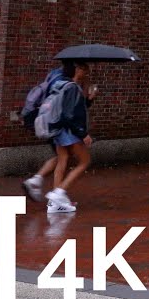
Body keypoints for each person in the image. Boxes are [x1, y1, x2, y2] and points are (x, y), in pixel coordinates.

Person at [46, 60, 97, 214]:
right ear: (77, 69)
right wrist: (83, 134)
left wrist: (89, 98)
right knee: (84, 162)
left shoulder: (62, 84)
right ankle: (58, 193)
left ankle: (54, 204)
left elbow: (77, 108)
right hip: (69, 132)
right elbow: (70, 115)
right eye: (85, 69)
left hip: (59, 129)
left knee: (62, 161)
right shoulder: (72, 88)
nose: (86, 72)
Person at [21, 66, 64, 203]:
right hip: (56, 124)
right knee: (64, 158)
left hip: (48, 121)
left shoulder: (54, 75)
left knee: (63, 157)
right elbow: (67, 107)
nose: (87, 71)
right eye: (84, 68)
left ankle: (37, 181)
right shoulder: (65, 81)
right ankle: (55, 196)